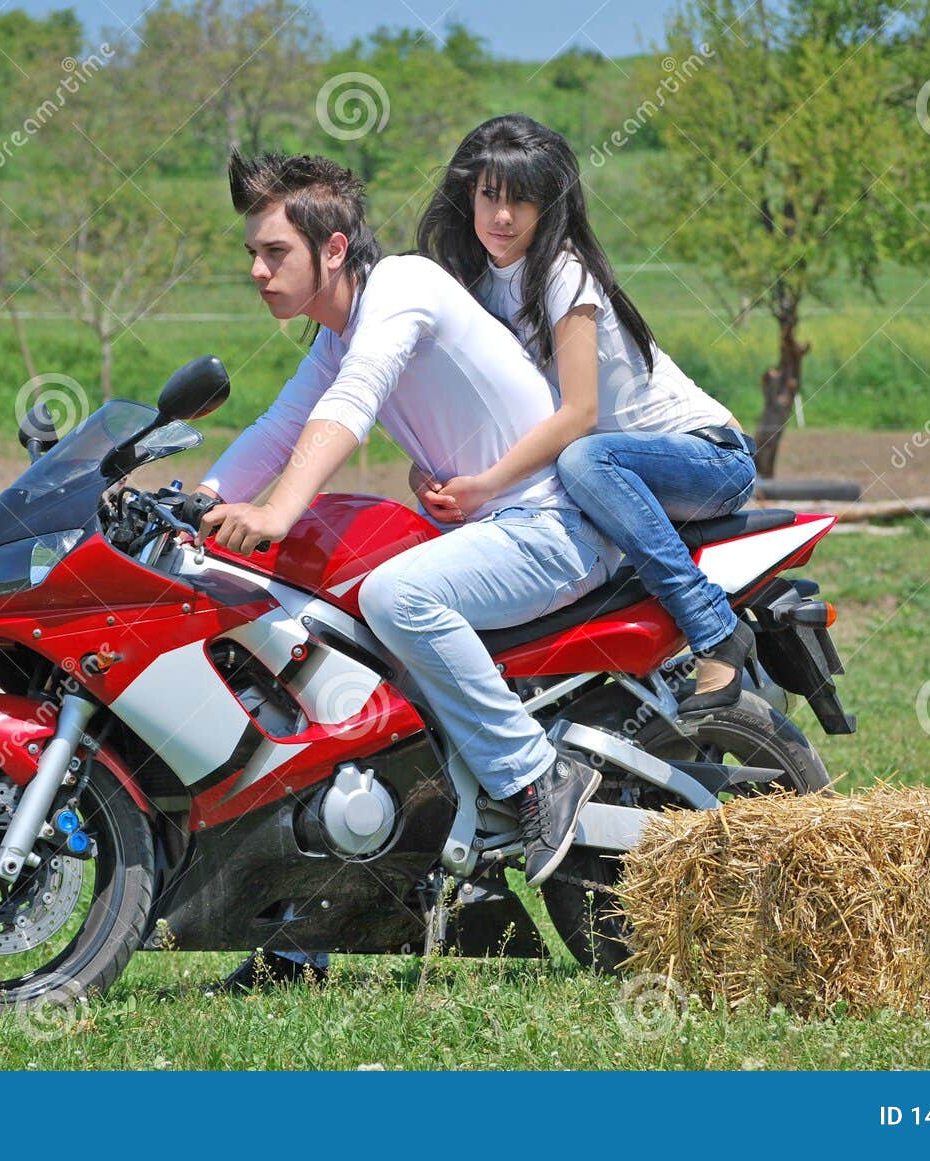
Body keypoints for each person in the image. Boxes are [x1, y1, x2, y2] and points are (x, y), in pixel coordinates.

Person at [195, 150, 615, 893]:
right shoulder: (338, 333)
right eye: (252, 254)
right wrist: (195, 502)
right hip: (491, 534)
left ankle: (539, 777)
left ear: (332, 249)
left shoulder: (404, 287)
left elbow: (350, 403)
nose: (258, 271)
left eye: (274, 253)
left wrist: (277, 509)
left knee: (395, 596)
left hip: (552, 528)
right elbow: (279, 425)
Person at [416, 114, 759, 715]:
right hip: (618, 473)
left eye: (521, 201)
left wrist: (489, 484)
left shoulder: (562, 273)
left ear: (550, 207)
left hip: (709, 458)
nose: (502, 216)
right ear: (467, 194)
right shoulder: (473, 287)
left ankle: (716, 629)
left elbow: (579, 415)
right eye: (489, 196)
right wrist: (433, 473)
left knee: (582, 455)